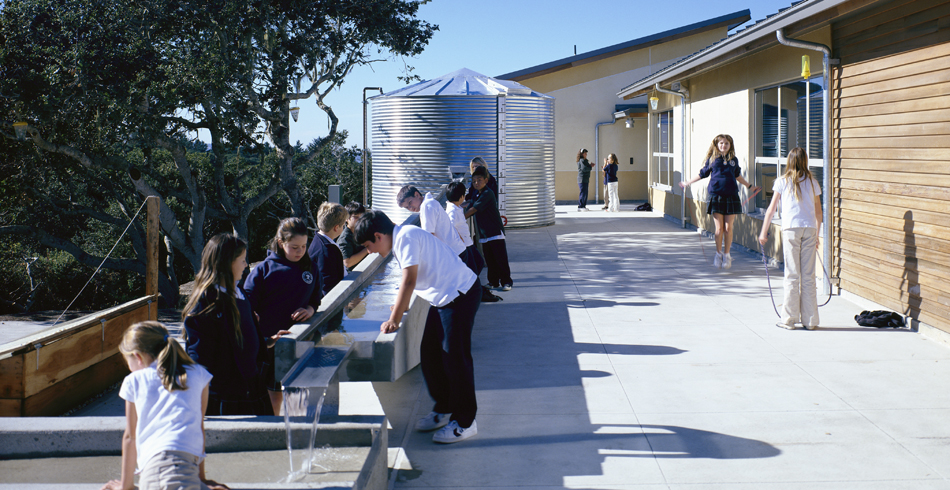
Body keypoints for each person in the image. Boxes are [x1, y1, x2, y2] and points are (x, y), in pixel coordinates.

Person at [355, 210, 481, 444]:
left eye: (368, 245)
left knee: (455, 359)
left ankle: (465, 422)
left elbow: (409, 280)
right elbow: (414, 279)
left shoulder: (405, 238)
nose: (369, 251)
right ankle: (444, 408)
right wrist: (399, 307)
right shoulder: (402, 237)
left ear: (378, 236)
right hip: (443, 298)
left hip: (460, 295)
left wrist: (394, 318)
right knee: (431, 354)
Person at [103, 321, 228, 490]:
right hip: (187, 466)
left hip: (159, 469)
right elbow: (198, 427)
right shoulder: (198, 374)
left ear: (138, 357)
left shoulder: (135, 380)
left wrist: (126, 486)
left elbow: (130, 437)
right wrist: (201, 479)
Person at [183, 233, 270, 416]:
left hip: (250, 384)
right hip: (224, 393)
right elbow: (199, 358)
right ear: (227, 263)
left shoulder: (239, 293)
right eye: (242, 260)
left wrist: (266, 341)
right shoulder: (206, 305)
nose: (246, 265)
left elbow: (245, 335)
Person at [244, 218, 321, 415]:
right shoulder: (263, 270)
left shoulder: (310, 268)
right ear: (281, 243)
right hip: (270, 344)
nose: (300, 251)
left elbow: (316, 298)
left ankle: (298, 429)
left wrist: (310, 309)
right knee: (273, 390)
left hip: (301, 341)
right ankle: (275, 425)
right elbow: (247, 306)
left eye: (304, 246)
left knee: (299, 391)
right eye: (294, 247)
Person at [758, 147, 822, 330]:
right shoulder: (813, 182)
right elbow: (819, 213)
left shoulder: (782, 181)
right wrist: (817, 235)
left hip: (791, 230)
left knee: (792, 274)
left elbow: (771, 210)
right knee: (808, 276)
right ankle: (811, 321)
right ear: (805, 161)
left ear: (790, 161)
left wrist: (764, 232)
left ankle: (789, 320)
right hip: (809, 229)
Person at [680, 134, 760, 269]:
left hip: (731, 196)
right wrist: (687, 182)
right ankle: (718, 253)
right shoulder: (712, 159)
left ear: (730, 145)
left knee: (729, 228)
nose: (724, 146)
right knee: (719, 229)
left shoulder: (733, 160)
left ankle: (727, 255)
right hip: (716, 196)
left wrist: (750, 187)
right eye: (721, 143)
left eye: (727, 143)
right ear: (716, 145)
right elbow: (702, 173)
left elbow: (737, 175)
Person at [466, 166, 513, 291]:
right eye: (474, 181)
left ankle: (506, 282)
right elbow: (469, 204)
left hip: (494, 232)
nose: (476, 183)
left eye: (479, 180)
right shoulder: (476, 193)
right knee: (490, 260)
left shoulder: (487, 193)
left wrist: (457, 217)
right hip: (484, 233)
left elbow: (473, 209)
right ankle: (493, 282)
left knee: (500, 259)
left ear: (486, 180)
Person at [397, 185, 467, 260]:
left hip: (453, 254)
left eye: (410, 202)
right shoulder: (430, 202)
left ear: (417, 194)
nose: (410, 208)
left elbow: (429, 238)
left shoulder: (426, 207)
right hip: (457, 250)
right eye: (407, 207)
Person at [445, 181, 485, 276]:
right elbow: (450, 227)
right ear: (462, 197)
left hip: (468, 243)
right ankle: (471, 288)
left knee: (479, 263)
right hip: (464, 245)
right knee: (473, 270)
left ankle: (471, 287)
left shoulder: (456, 207)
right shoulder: (452, 211)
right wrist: (460, 239)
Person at [308, 202, 348, 295]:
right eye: (343, 225)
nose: (343, 228)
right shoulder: (326, 251)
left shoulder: (318, 239)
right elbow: (328, 286)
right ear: (336, 227)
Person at [337, 201, 369, 271]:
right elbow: (347, 263)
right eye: (356, 217)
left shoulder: (362, 231)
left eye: (362, 217)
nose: (359, 220)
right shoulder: (345, 239)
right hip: (353, 276)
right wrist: (368, 249)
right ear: (346, 218)